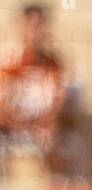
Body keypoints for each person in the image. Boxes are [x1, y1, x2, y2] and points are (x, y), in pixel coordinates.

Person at [0, 4, 68, 175]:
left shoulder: (53, 63)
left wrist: (40, 124)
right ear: (21, 27)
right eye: (30, 26)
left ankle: (54, 189)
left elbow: (58, 104)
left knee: (53, 135)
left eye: (39, 26)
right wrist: (16, 124)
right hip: (9, 125)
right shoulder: (8, 61)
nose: (34, 32)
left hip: (41, 125)